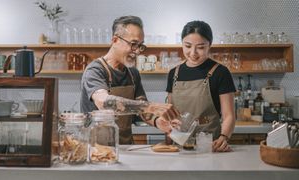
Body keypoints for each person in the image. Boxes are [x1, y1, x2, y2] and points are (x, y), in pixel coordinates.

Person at [80, 15, 180, 144]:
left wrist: (157, 121)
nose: (137, 51)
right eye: (133, 44)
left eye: (140, 45)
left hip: (125, 147)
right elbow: (104, 102)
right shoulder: (95, 70)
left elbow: (141, 107)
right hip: (96, 149)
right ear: (115, 40)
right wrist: (152, 106)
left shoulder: (133, 73)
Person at [166, 21, 236, 152]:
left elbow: (229, 115)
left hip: (209, 145)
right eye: (187, 46)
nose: (193, 53)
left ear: (210, 45)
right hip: (178, 146)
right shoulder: (173, 73)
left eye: (200, 47)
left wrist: (224, 137)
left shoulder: (220, 72)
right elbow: (170, 114)